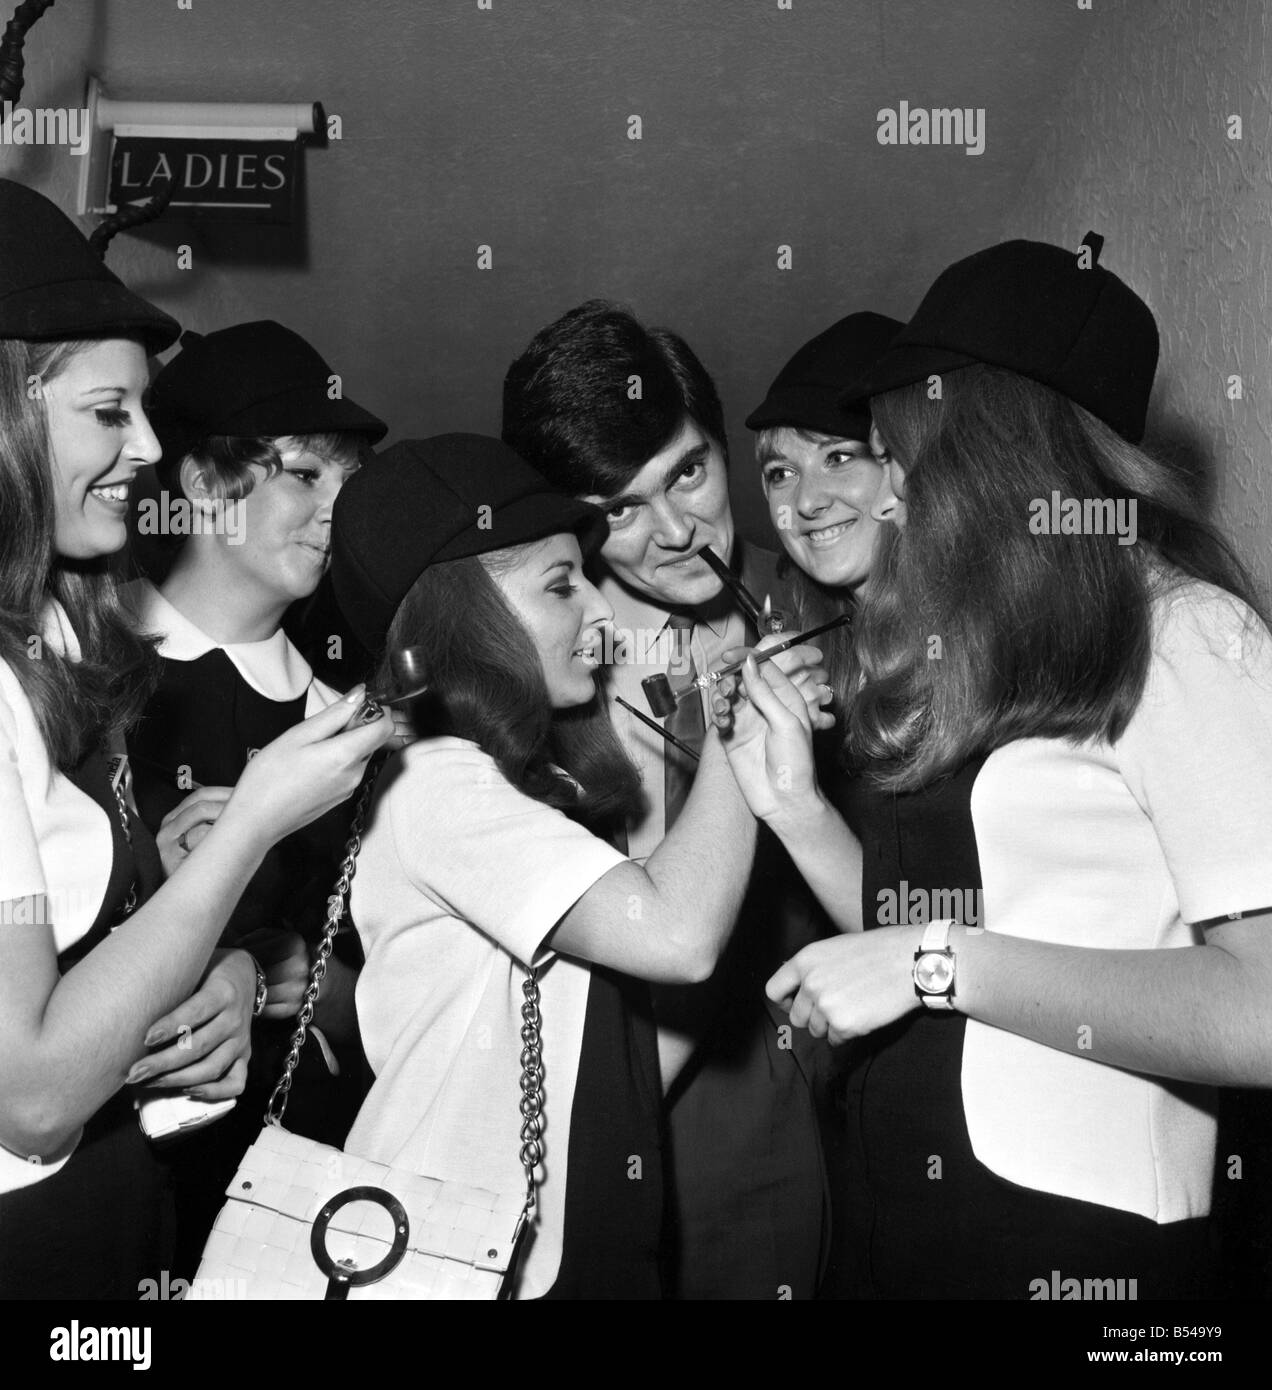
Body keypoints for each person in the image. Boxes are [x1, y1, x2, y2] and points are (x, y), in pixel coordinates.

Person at [712, 235, 1272, 1299]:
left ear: (990, 445)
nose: (887, 490)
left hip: (1073, 1253)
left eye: (903, 450)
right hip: (903, 1221)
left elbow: (1263, 1012)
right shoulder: (981, 660)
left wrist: (940, 962)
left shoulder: (1188, 632)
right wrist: (791, 802)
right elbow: (906, 940)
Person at [0, 179, 394, 1299]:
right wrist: (252, 826)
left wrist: (228, 955)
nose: (145, 449)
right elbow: (30, 1089)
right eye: (109, 413)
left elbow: (88, 956)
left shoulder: (58, 655)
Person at [328, 434, 831, 1300]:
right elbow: (679, 935)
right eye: (562, 585)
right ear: (462, 617)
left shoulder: (521, 790)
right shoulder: (433, 783)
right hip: (458, 1268)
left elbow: (610, 1056)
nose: (600, 613)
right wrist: (735, 720)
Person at [502, 301, 832, 1299]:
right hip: (646, 1139)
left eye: (688, 471)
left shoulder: (830, 598)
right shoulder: (540, 691)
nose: (678, 529)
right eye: (621, 507)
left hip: (857, 1113)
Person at [122, 320, 388, 1279]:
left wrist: (295, 979)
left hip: (298, 1189)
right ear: (202, 484)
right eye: (304, 475)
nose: (334, 511)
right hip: (113, 1179)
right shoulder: (84, 680)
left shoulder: (347, 719)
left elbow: (392, 995)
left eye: (348, 484)